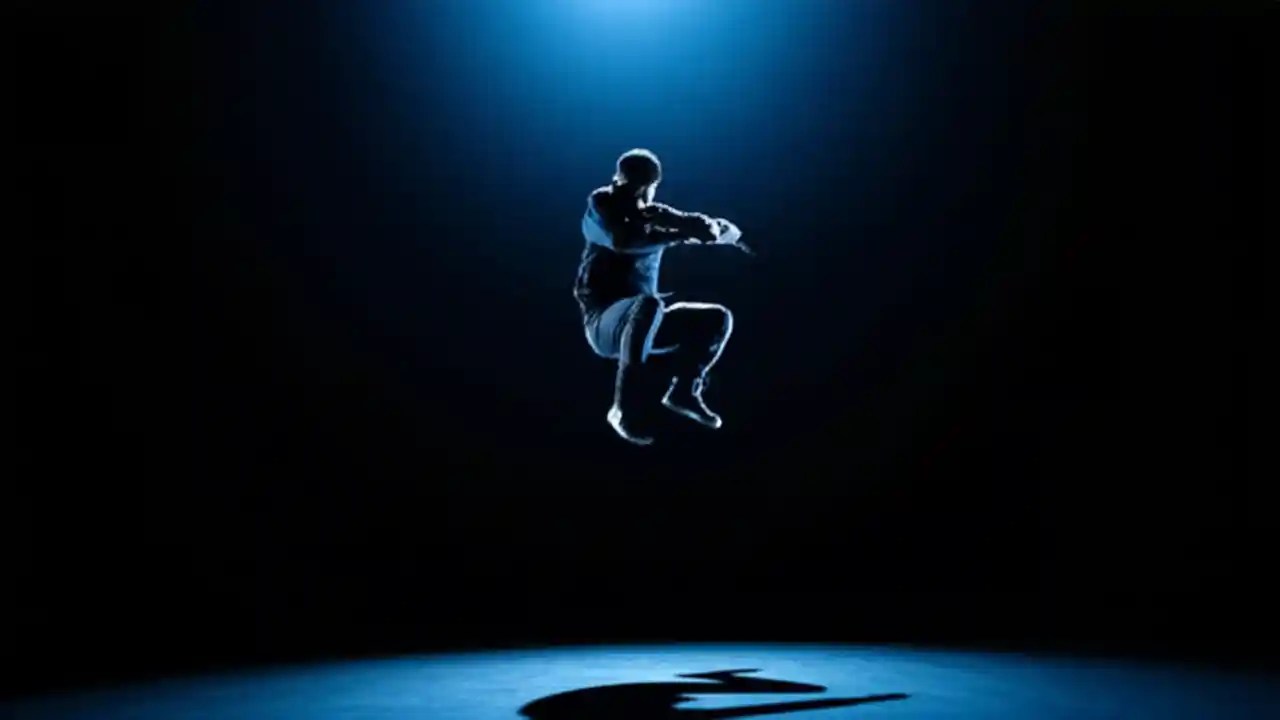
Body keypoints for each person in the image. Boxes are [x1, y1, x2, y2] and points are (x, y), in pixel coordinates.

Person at [573, 148, 750, 445]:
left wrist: (731, 234)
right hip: (603, 325)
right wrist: (676, 232)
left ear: (650, 188)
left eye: (639, 190)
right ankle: (623, 407)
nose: (633, 196)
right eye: (626, 188)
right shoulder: (600, 206)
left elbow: (712, 229)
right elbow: (622, 242)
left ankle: (684, 391)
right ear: (617, 181)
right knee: (648, 304)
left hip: (644, 323)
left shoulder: (656, 215)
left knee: (715, 318)